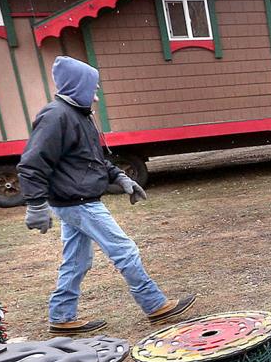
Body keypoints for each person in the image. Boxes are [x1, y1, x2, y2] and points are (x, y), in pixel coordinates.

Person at [18, 55, 194, 334]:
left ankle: (62, 317)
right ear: (78, 85)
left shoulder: (79, 115)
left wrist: (121, 177)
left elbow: (91, 160)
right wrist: (36, 204)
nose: (96, 95)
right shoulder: (56, 117)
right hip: (77, 202)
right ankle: (155, 305)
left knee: (77, 260)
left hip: (76, 200)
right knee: (123, 250)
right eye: (93, 88)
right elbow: (32, 163)